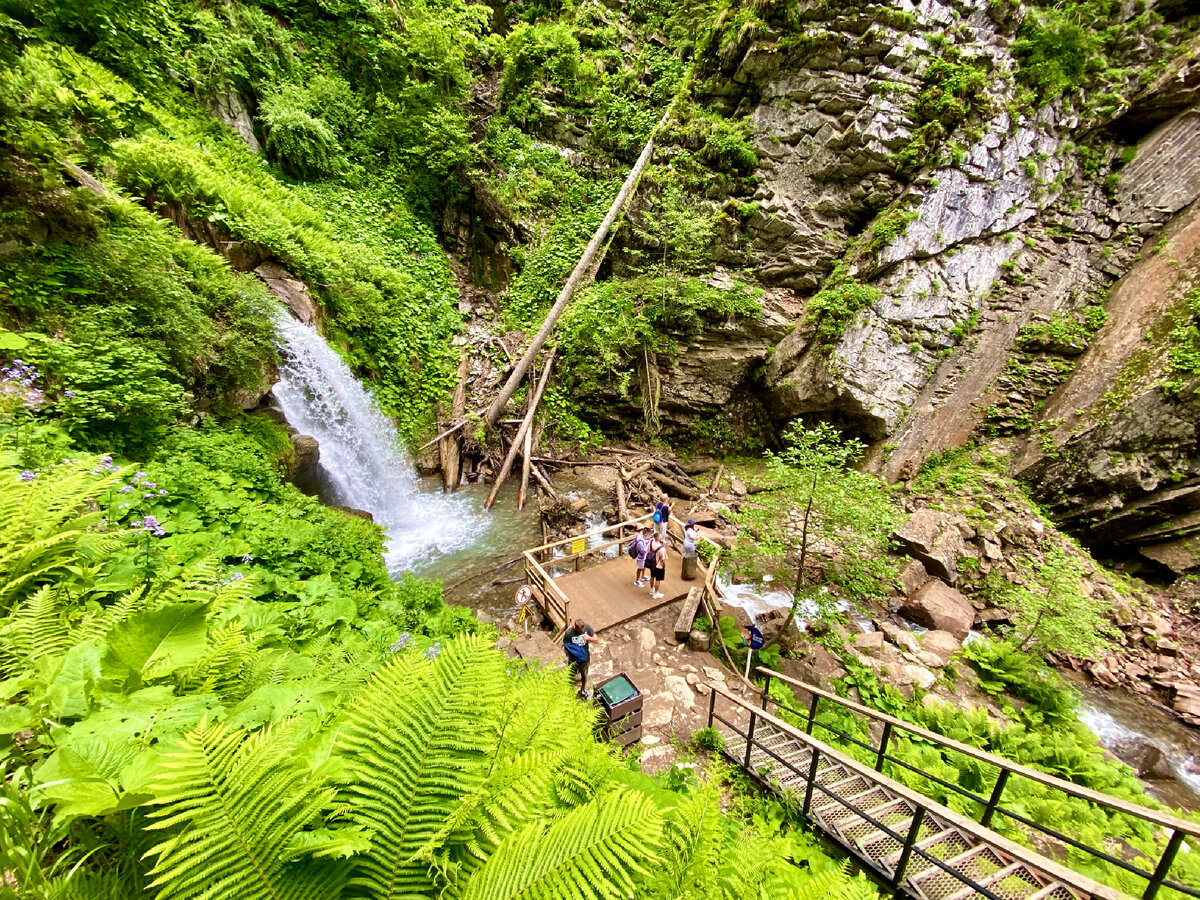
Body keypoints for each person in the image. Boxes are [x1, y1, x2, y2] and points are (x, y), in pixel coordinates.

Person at [563, 618, 601, 696]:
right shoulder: (569, 633)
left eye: (582, 630)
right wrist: (568, 655)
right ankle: (568, 688)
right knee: (571, 674)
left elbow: (597, 640)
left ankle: (583, 690)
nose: (582, 632)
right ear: (575, 627)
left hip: (584, 658)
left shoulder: (587, 628)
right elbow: (566, 646)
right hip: (573, 659)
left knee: (584, 674)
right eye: (580, 631)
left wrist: (588, 638)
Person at [647, 535, 667, 600]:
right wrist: (664, 565)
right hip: (659, 565)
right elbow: (663, 559)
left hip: (652, 563)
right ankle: (656, 593)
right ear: (659, 538)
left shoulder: (650, 542)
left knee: (652, 576)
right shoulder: (662, 548)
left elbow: (647, 551)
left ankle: (652, 590)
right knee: (658, 579)